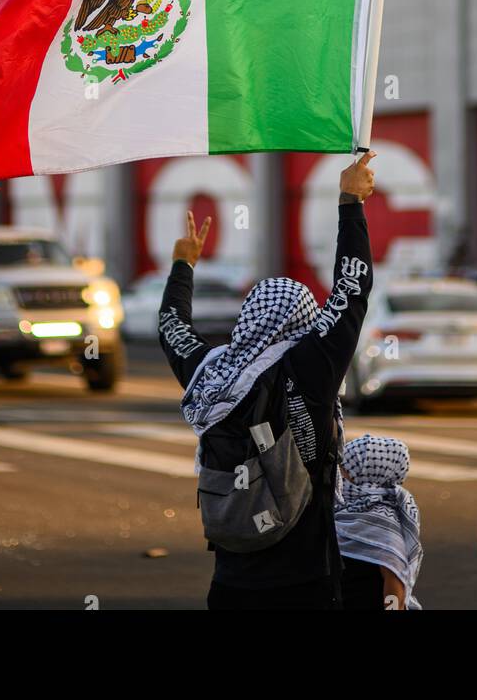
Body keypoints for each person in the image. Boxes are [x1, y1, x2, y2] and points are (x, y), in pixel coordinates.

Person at [158, 151, 376, 611]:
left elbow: (171, 326)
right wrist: (349, 203)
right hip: (303, 581)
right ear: (300, 320)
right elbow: (351, 291)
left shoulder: (211, 372)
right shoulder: (310, 368)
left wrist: (183, 265)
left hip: (231, 583)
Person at [334, 434, 422, 610]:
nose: (340, 475)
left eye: (345, 469)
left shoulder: (384, 525)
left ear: (366, 473)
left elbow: (394, 582)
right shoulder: (343, 509)